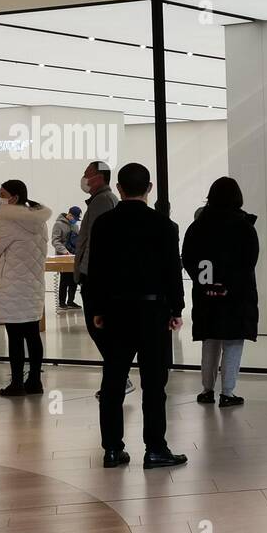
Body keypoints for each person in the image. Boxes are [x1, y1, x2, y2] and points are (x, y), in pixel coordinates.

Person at [84, 163, 187, 469]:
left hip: (115, 310)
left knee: (113, 381)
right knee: (154, 384)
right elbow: (173, 271)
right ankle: (155, 448)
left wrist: (99, 309)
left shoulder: (104, 224)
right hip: (153, 311)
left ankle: (113, 449)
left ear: (119, 188)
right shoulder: (164, 226)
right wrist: (177, 310)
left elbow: (97, 271)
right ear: (149, 188)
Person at [182, 177, 260, 409]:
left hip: (206, 293)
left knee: (210, 340)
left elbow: (187, 259)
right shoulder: (244, 227)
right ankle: (228, 392)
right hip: (236, 295)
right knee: (233, 341)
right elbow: (249, 262)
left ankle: (207, 390)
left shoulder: (198, 226)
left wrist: (203, 281)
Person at [0, 180, 51, 397]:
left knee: (14, 337)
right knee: (32, 335)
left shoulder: (7, 220)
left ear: (13, 198)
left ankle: (16, 384)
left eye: (2, 193)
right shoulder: (39, 221)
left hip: (12, 286)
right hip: (32, 285)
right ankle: (35, 381)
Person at [75, 160, 129, 395]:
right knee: (98, 329)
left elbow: (99, 243)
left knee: (99, 328)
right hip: (92, 274)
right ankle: (118, 377)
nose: (84, 179)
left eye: (87, 174)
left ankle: (119, 377)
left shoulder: (103, 201)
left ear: (99, 177)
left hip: (95, 276)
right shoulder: (100, 201)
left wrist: (88, 273)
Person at [51, 204, 81, 310]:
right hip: (63, 256)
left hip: (74, 256)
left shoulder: (75, 226)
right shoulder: (58, 225)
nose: (75, 220)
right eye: (75, 218)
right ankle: (62, 302)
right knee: (64, 280)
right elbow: (55, 241)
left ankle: (71, 301)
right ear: (69, 215)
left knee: (74, 279)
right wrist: (65, 251)